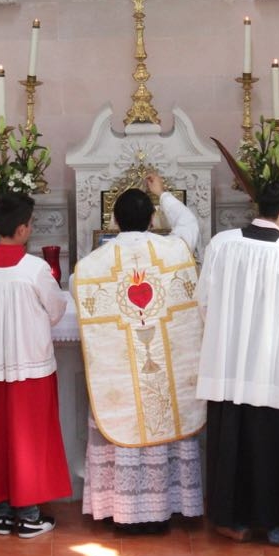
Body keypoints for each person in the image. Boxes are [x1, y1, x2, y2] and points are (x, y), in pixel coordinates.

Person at [72, 172, 204, 534]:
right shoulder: (174, 250)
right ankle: (171, 506)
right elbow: (189, 222)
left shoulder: (90, 267)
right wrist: (162, 194)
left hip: (124, 375)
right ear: (151, 220)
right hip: (163, 367)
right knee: (163, 418)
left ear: (113, 220)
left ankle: (125, 512)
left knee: (126, 424)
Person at [196, 180, 279, 546]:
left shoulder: (222, 244)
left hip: (229, 365)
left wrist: (228, 339)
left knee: (231, 441)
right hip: (274, 367)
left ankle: (230, 521)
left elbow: (204, 300)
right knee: (276, 446)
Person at [0, 191, 72, 538]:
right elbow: (57, 311)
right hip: (30, 366)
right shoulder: (35, 269)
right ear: (24, 228)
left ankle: (2, 512)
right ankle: (27, 515)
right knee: (28, 439)